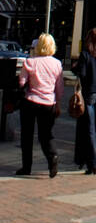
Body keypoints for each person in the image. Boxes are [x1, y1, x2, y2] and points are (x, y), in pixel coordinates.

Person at [17, 32, 64, 177]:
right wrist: (57, 103)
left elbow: (21, 82)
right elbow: (60, 88)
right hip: (48, 103)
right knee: (46, 135)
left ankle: (26, 167)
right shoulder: (57, 64)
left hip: (30, 101)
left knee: (27, 135)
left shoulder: (30, 62)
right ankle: (52, 158)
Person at [73, 28, 96, 175]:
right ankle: (84, 159)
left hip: (89, 94)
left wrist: (76, 68)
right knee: (91, 128)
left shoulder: (86, 55)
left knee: (89, 130)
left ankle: (92, 163)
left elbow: (82, 74)